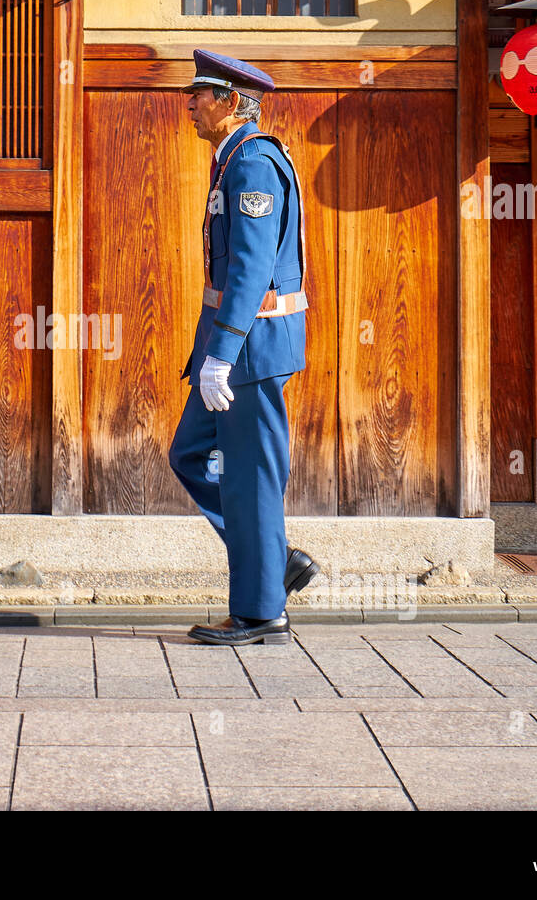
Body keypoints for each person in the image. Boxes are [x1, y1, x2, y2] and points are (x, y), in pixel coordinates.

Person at [167, 49, 318, 646]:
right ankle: (272, 560)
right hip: (231, 346)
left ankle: (261, 614)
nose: (191, 104)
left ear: (231, 103)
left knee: (250, 478)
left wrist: (223, 353)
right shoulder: (232, 159)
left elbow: (252, 270)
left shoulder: (252, 165)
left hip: (250, 350)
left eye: (200, 95)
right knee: (188, 454)